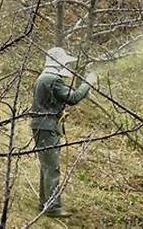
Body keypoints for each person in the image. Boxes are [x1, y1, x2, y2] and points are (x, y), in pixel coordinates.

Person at [30, 47, 97, 218]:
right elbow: (73, 98)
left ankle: (45, 203)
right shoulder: (53, 79)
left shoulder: (44, 78)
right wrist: (88, 82)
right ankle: (53, 207)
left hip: (41, 126)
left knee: (47, 167)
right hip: (47, 127)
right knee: (52, 168)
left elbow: (55, 100)